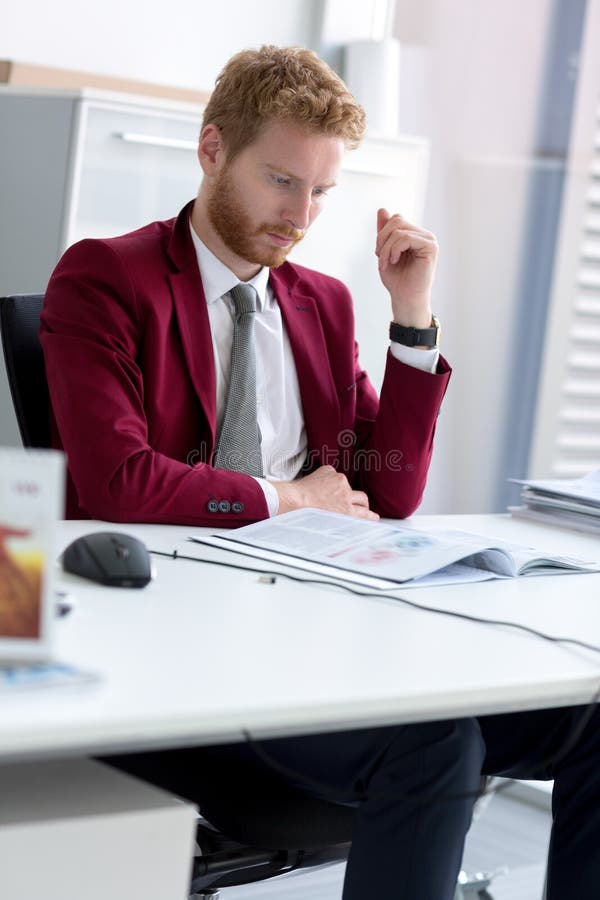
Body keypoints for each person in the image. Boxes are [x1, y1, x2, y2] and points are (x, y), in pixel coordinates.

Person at [40, 46, 600, 900]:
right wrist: (290, 497)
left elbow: (391, 488)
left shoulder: (320, 302)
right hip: (182, 652)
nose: (300, 215)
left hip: (316, 623)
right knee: (434, 741)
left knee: (590, 719)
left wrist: (410, 315)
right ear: (212, 150)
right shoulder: (106, 277)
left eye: (322, 191)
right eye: (280, 180)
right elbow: (119, 480)